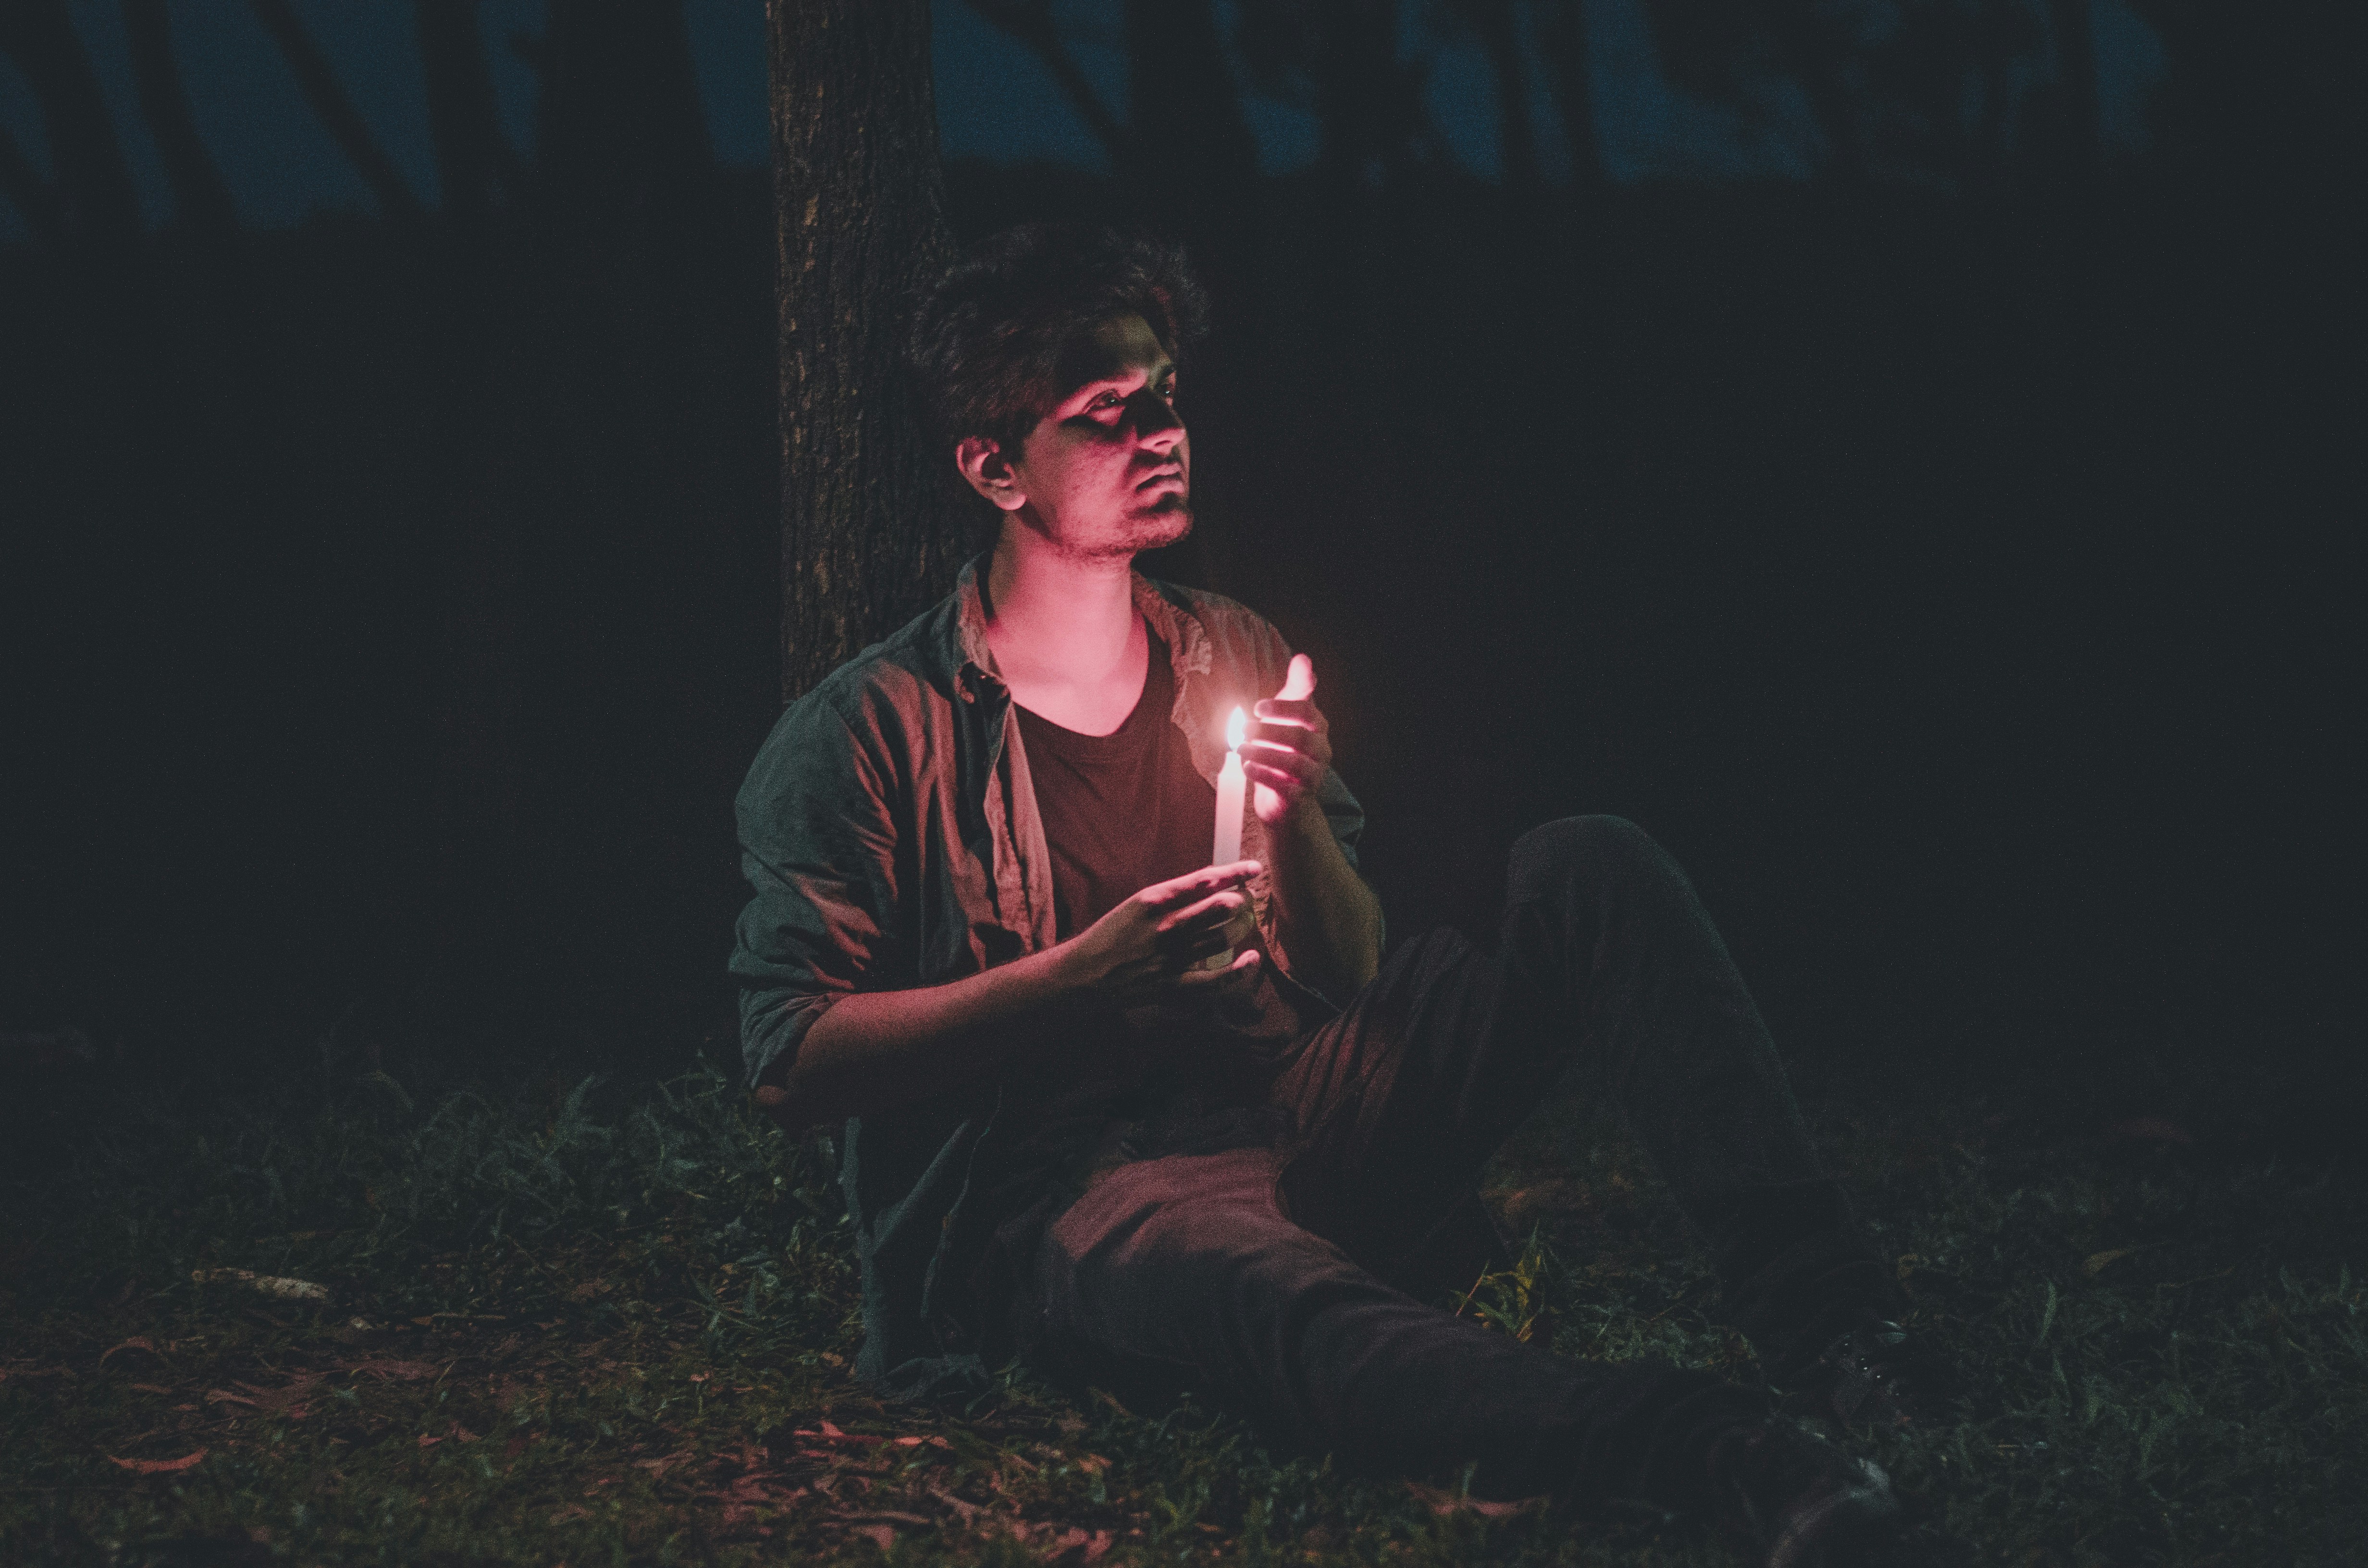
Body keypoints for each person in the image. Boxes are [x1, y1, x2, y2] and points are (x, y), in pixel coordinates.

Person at [730, 225, 1952, 1565]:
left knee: (1586, 862)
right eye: (1105, 411)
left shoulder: (1230, 649)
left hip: (1303, 1107)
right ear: (994, 467)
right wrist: (1079, 977)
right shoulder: (874, 732)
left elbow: (1354, 968)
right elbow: (791, 1062)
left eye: (1166, 395)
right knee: (1299, 1318)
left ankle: (1844, 1338)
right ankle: (1728, 1458)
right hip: (1086, 1196)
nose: (1161, 432)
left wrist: (1291, 815)